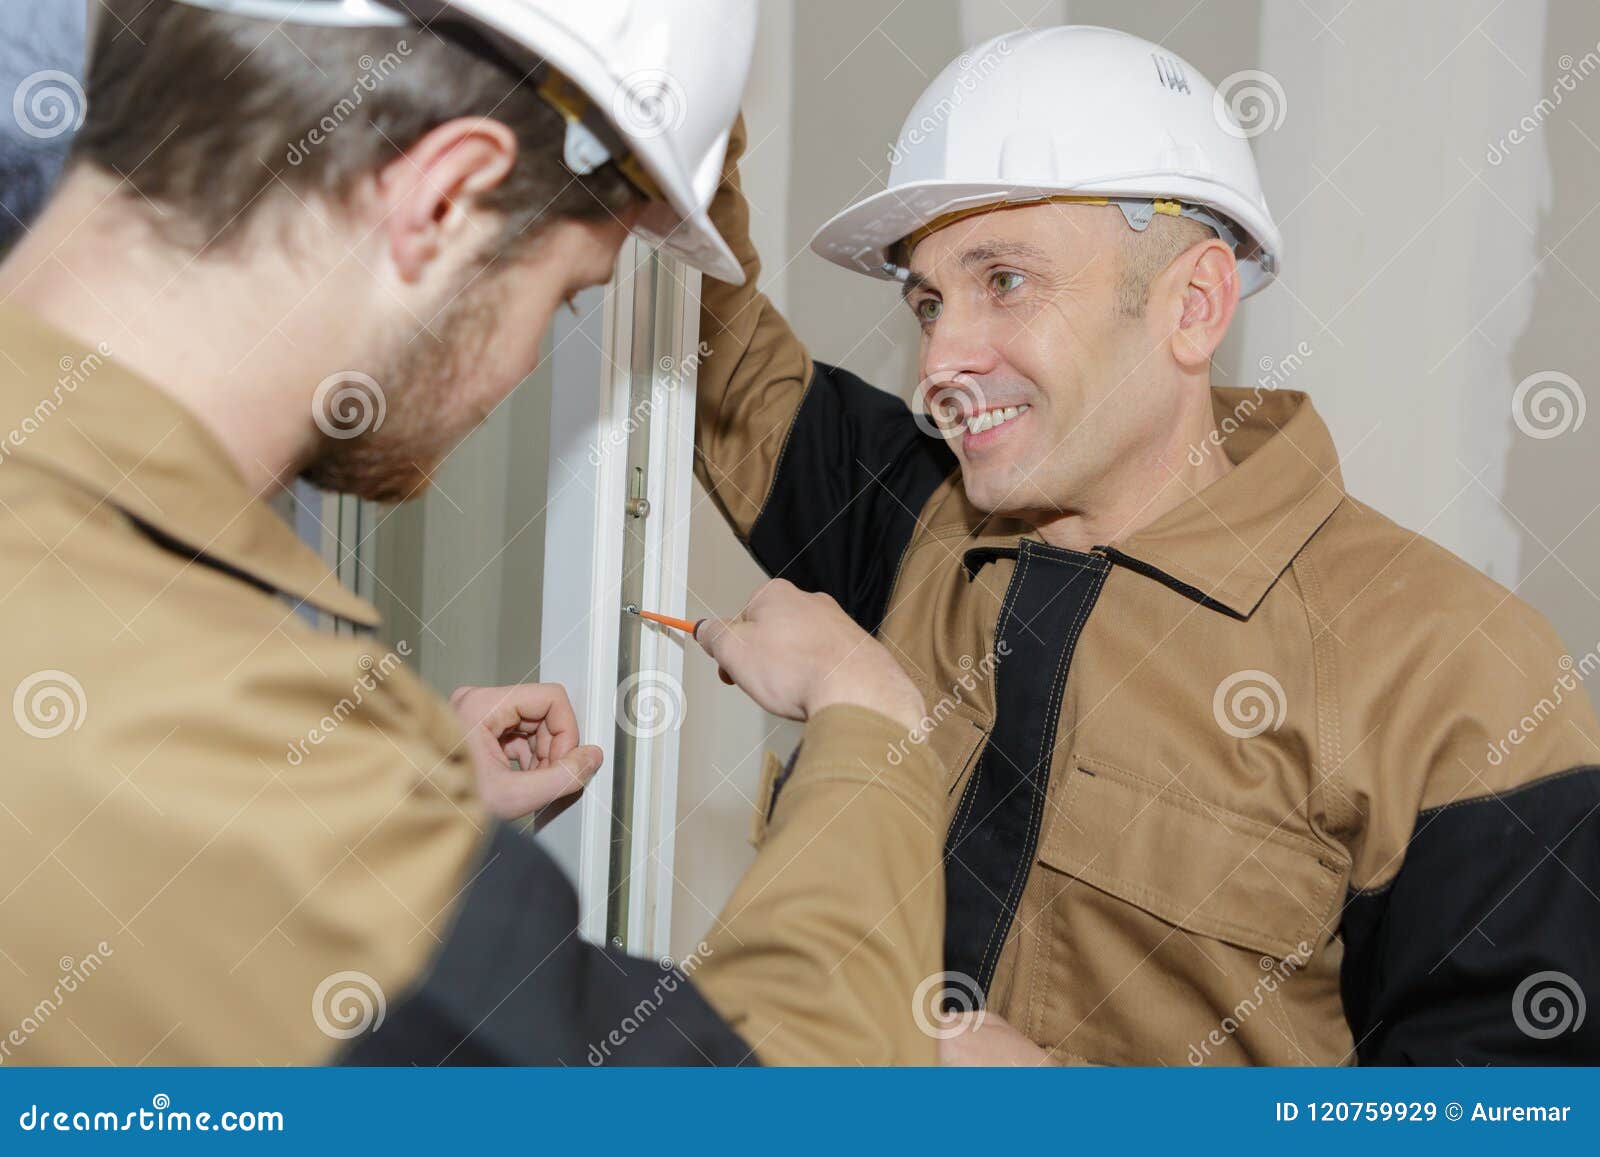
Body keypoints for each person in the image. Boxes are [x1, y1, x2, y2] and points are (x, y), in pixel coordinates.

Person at [0, 0, 945, 1066]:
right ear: (442, 200)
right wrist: (873, 732)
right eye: (566, 299)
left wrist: (412, 846)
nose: (526, 363)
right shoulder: (173, 711)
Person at [695, 25, 1600, 1064]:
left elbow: (1513, 1112)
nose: (939, 359)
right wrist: (676, 111)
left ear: (1192, 304)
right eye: (929, 301)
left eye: (1004, 281)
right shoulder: (919, 529)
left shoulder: (1452, 668)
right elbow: (714, 343)